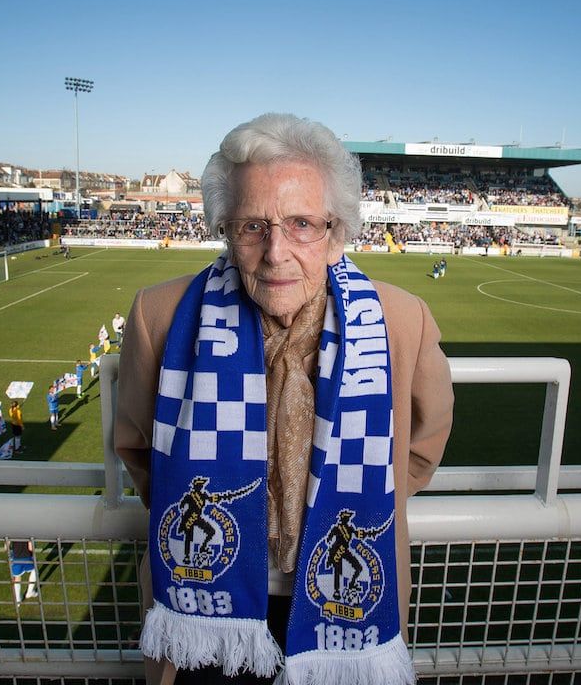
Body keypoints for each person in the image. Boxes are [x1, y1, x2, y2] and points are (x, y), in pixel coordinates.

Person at [115, 113, 453, 685]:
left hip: (346, 612)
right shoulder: (161, 316)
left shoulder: (400, 321)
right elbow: (139, 450)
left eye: (301, 223)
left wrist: (352, 501)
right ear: (225, 229)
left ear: (336, 231)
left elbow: (420, 452)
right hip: (204, 618)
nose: (276, 252)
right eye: (252, 226)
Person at [6, 539, 38, 603]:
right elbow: (30, 548)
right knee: (34, 571)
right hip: (27, 557)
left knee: (17, 578)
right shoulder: (27, 532)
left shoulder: (11, 532)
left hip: (16, 558)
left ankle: (18, 600)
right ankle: (29, 592)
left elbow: (6, 546)